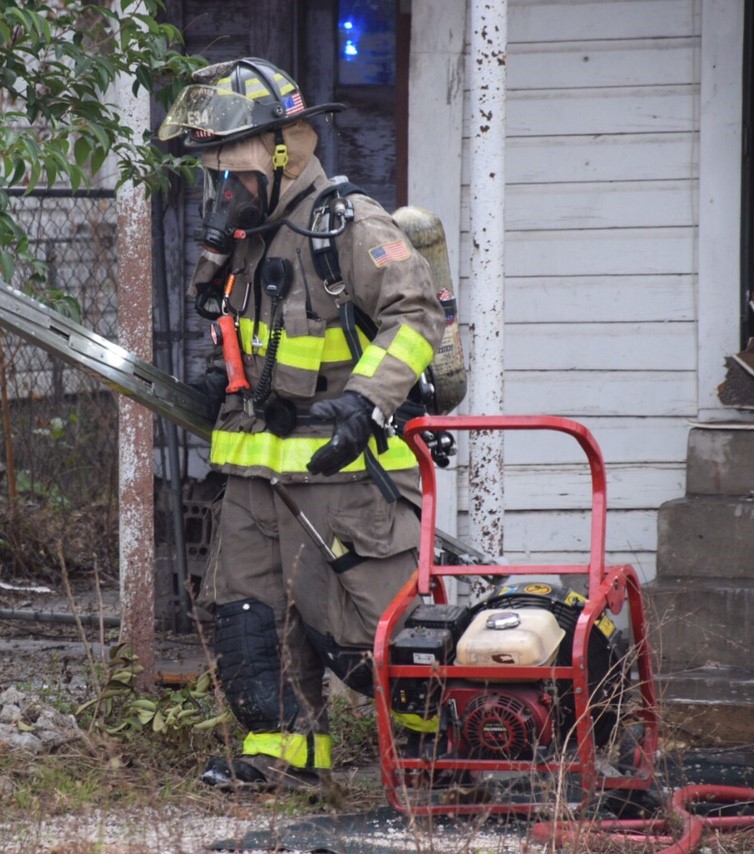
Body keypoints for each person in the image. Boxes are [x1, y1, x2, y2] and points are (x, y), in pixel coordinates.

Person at [157, 57, 445, 791]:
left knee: (370, 635)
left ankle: (437, 749)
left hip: (340, 478)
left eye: (233, 175)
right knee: (249, 621)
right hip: (253, 476)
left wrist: (364, 399)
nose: (222, 193)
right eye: (213, 178)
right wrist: (220, 372)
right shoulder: (244, 243)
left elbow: (415, 317)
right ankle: (285, 756)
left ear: (287, 153)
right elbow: (244, 333)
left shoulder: (346, 226)